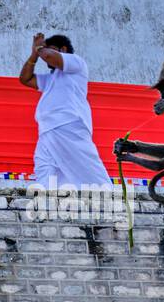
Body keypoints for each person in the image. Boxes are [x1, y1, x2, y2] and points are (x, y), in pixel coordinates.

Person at [18, 32, 111, 187]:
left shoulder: (76, 63)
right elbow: (25, 79)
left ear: (63, 49)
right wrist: (34, 55)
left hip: (69, 126)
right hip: (46, 131)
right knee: (46, 175)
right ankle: (48, 208)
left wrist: (40, 48)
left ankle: (110, 204)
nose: (44, 52)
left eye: (50, 49)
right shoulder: (50, 78)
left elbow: (48, 56)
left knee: (90, 174)